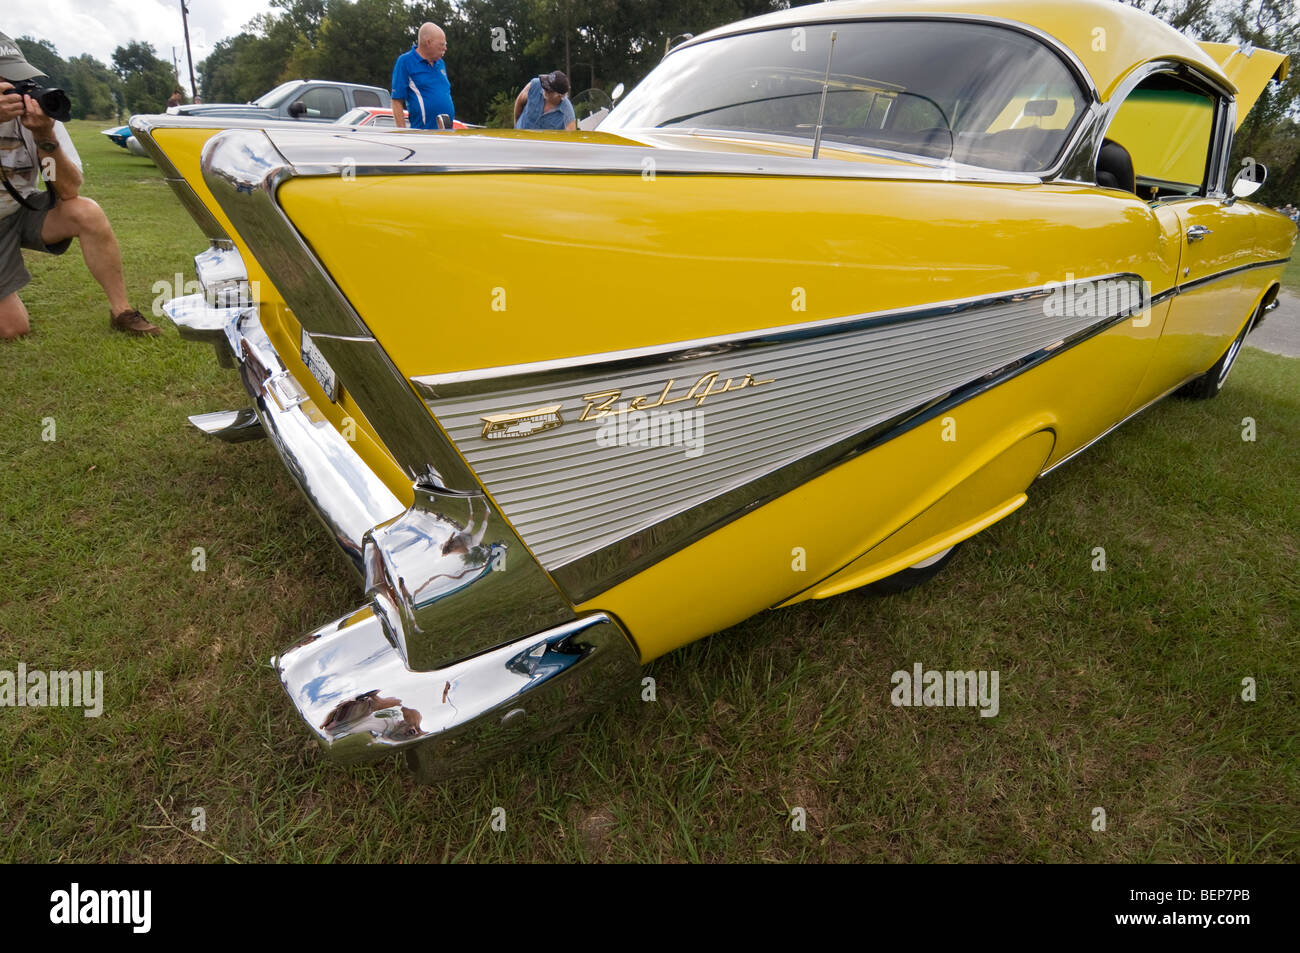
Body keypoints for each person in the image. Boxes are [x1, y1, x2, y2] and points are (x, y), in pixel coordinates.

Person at [0, 33, 159, 338]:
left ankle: (122, 311)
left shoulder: (37, 112)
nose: (18, 91)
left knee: (86, 212)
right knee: (12, 328)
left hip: (19, 210)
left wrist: (45, 137)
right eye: (7, 81)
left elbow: (68, 190)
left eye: (20, 81)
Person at [390, 22, 453, 130]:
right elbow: (396, 101)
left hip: (445, 133)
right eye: (442, 44)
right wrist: (402, 133)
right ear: (429, 42)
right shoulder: (405, 61)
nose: (445, 48)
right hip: (423, 134)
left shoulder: (440, 63)